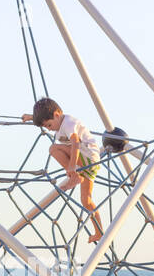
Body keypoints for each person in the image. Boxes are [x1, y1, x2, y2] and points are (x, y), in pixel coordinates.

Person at [23, 97, 105, 244]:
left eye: (49, 125)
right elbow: (46, 120)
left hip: (87, 157)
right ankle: (99, 232)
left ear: (57, 114)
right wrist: (31, 118)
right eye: (46, 127)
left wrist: (72, 167)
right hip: (91, 164)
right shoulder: (57, 120)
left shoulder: (68, 123)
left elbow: (76, 143)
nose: (49, 128)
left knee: (54, 148)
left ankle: (75, 176)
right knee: (86, 201)